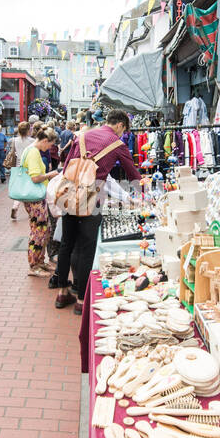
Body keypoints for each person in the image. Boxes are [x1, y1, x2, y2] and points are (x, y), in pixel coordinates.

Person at [51, 109, 142, 313]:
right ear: (120, 125)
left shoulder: (82, 136)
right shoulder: (117, 145)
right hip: (92, 199)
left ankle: (62, 292)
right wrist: (142, 193)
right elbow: (133, 174)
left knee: (67, 243)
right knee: (86, 248)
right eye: (123, 130)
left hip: (69, 193)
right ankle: (82, 300)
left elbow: (66, 166)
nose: (122, 134)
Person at [21, 128, 61, 276]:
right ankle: (34, 265)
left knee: (44, 229)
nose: (49, 148)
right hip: (34, 198)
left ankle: (40, 262)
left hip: (37, 197)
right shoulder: (33, 152)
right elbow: (35, 177)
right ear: (45, 140)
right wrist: (51, 174)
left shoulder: (31, 150)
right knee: (38, 231)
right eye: (50, 145)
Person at [10, 122, 35, 220]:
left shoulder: (14, 140)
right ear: (28, 130)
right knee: (28, 190)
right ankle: (30, 211)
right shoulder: (32, 141)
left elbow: (12, 152)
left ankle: (15, 206)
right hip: (29, 167)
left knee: (20, 189)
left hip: (18, 167)